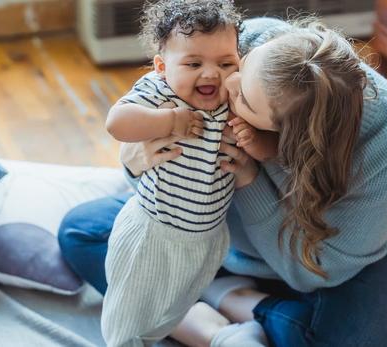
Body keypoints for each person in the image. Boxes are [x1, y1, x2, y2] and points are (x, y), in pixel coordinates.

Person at [59, 16, 387, 347]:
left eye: (245, 100)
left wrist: (250, 179)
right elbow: (145, 140)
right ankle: (219, 326)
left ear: (288, 139)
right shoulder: (240, 44)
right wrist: (138, 162)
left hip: (327, 262)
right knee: (83, 231)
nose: (227, 82)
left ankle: (239, 302)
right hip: (211, 232)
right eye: (242, 67)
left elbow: (318, 270)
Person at [98, 1, 274, 346]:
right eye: (193, 63)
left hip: (208, 239)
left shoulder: (235, 97)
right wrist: (165, 120)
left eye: (225, 63)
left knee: (172, 310)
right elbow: (116, 123)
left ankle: (196, 331)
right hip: (153, 232)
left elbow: (275, 148)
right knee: (129, 312)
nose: (211, 74)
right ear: (162, 67)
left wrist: (256, 142)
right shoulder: (159, 90)